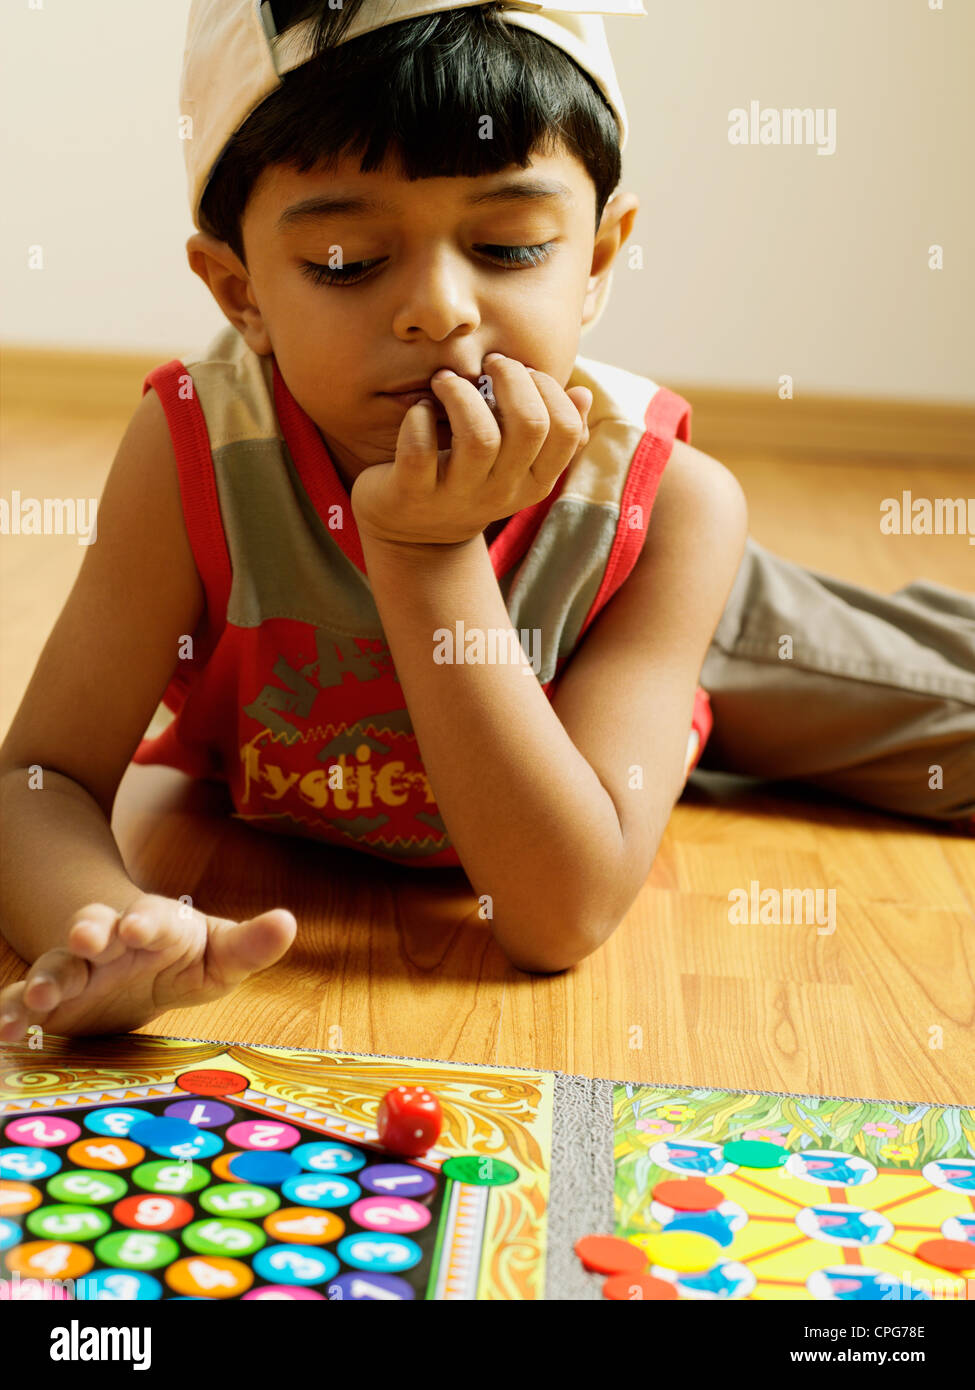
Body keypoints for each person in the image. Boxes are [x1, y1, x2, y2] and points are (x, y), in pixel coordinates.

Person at [0, 1, 971, 1041]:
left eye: (509, 247)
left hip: (639, 603)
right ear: (240, 293)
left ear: (597, 259)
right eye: (344, 261)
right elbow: (35, 779)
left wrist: (426, 551)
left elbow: (556, 916)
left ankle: (660, 717)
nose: (439, 310)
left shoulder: (670, 509)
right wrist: (103, 922)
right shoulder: (195, 451)